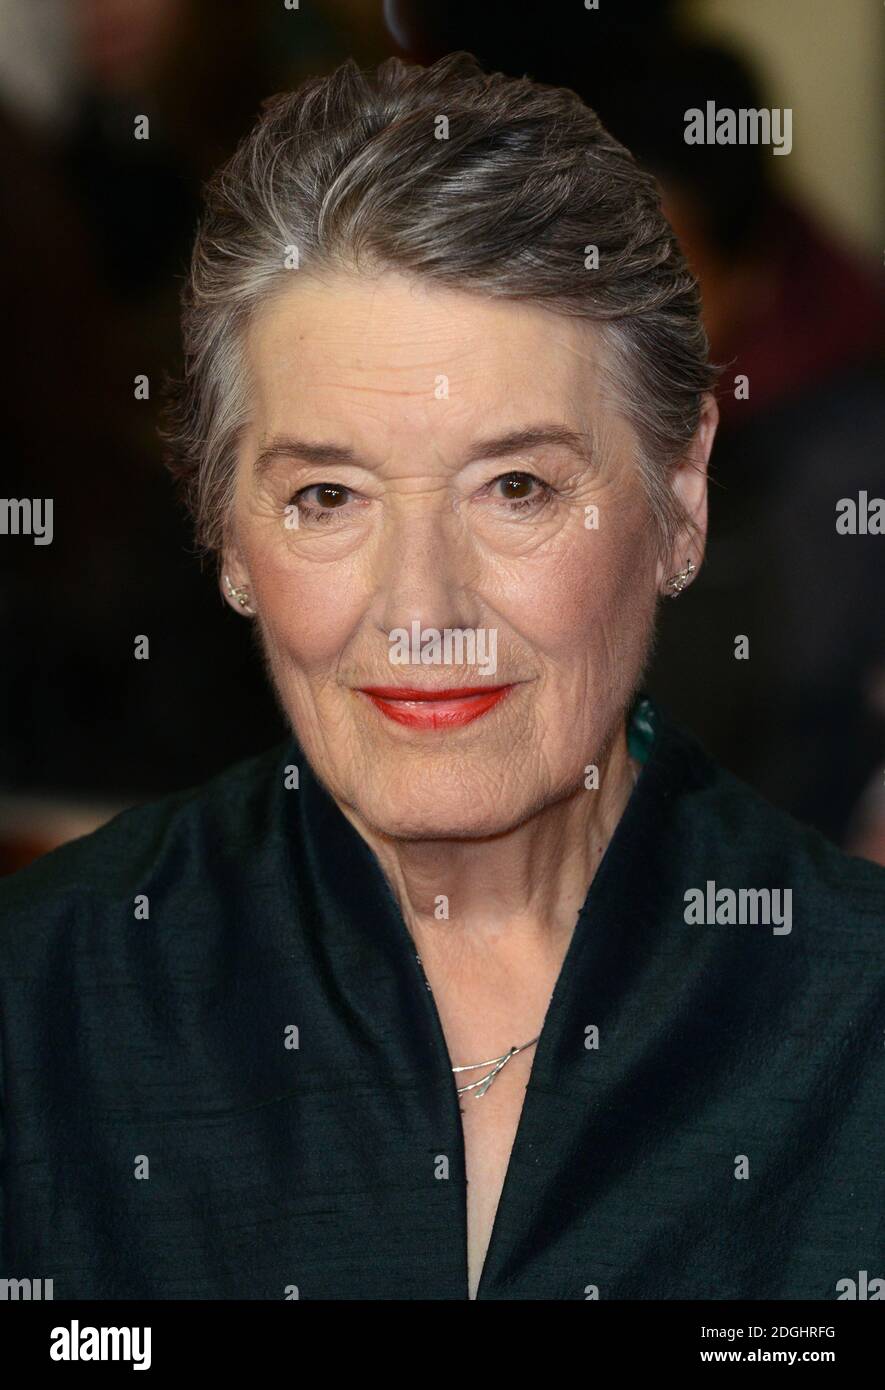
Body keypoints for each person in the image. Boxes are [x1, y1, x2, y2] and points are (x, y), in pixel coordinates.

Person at [1, 53, 882, 1301]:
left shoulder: (854, 1018)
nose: (422, 611)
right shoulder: (44, 1005)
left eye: (516, 487)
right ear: (226, 535)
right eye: (328, 496)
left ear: (680, 496)